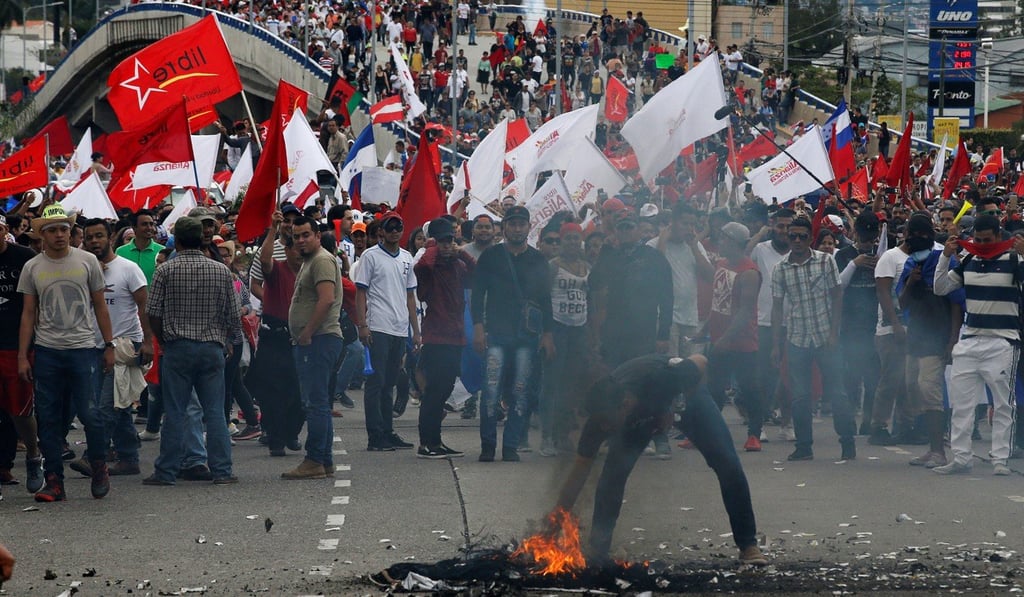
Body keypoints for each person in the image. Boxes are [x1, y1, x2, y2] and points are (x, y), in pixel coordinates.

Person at [551, 353, 767, 566]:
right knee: (612, 477)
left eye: (608, 422)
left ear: (624, 404)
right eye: (601, 423)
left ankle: (748, 545)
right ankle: (599, 550)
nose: (605, 429)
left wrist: (674, 404)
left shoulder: (658, 378)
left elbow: (701, 362)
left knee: (727, 463)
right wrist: (556, 519)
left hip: (687, 400)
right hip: (642, 419)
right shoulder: (600, 420)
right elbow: (579, 472)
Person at [17, 205, 115, 502]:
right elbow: (28, 313)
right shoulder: (33, 267)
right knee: (47, 417)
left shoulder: (87, 261)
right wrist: (23, 355)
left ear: (72, 232)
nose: (60, 235)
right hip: (47, 351)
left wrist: (109, 345)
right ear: (42, 235)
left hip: (84, 349)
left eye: (65, 229)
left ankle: (98, 466)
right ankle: (54, 480)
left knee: (90, 413)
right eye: (53, 230)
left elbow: (100, 305)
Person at [144, 216, 240, 486]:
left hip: (177, 347)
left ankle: (166, 471)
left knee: (175, 411)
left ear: (179, 241)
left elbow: (153, 312)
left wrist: (162, 339)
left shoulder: (165, 271)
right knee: (215, 412)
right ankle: (222, 470)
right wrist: (228, 339)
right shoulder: (220, 271)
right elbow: (232, 314)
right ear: (201, 238)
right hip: (211, 347)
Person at [933, 214, 1023, 476]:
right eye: (978, 240)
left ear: (998, 236)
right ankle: (961, 458)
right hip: (969, 340)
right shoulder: (969, 261)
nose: (983, 245)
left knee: (1003, 404)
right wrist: (945, 257)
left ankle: (1000, 460)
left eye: (988, 240)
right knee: (961, 404)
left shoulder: (1014, 260)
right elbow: (940, 288)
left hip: (1003, 342)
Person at [471, 206, 555, 462]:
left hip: (527, 336)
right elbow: (477, 295)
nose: (517, 228)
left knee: (521, 391)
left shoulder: (539, 259)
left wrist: (548, 333)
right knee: (492, 389)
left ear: (529, 227)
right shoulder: (491, 256)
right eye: (513, 224)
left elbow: (546, 299)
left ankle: (510, 447)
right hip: (495, 333)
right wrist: (478, 328)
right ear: (504, 227)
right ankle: (488, 445)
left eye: (522, 224)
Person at [770, 217, 856, 462]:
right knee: (799, 396)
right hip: (797, 337)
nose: (796, 241)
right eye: (792, 236)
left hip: (825, 336)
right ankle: (804, 446)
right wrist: (776, 345)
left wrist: (833, 333)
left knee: (837, 393)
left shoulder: (826, 261)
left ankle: (847, 442)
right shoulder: (780, 268)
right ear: (788, 237)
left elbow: (837, 297)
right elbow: (777, 308)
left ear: (810, 238)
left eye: (802, 236)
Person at [83, 218, 153, 477]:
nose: (94, 242)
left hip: (124, 345)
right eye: (89, 237)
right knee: (120, 405)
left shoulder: (128, 268)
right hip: (92, 346)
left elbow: (144, 305)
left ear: (110, 238)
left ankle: (92, 457)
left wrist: (147, 342)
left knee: (106, 406)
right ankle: (128, 459)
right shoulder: (84, 269)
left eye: (99, 236)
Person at [897, 214, 963, 469]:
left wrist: (952, 340)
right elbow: (901, 302)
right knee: (913, 386)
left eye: (923, 233)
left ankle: (939, 450)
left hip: (937, 335)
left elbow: (956, 302)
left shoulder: (943, 260)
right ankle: (930, 445)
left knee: (929, 388)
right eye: (913, 233)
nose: (918, 238)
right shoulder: (909, 264)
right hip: (916, 334)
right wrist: (911, 282)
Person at [282, 217, 345, 479]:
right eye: (297, 236)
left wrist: (307, 332)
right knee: (318, 402)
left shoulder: (321, 260)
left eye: (306, 235)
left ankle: (314, 459)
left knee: (315, 403)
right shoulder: (310, 260)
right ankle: (325, 460)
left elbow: (327, 299)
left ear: (318, 235)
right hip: (315, 340)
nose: (300, 240)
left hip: (319, 339)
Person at [354, 212, 421, 451]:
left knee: (390, 382)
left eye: (398, 227)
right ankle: (375, 435)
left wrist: (416, 330)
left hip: (400, 328)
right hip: (378, 326)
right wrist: (362, 325)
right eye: (389, 227)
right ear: (381, 231)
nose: (394, 231)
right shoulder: (370, 257)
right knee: (376, 382)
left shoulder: (406, 258)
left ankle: (388, 430)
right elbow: (360, 293)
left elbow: (410, 296)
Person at [247, 211, 305, 457]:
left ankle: (291, 432)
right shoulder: (277, 270)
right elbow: (265, 261)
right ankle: (276, 438)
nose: (298, 254)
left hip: (300, 337)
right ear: (288, 250)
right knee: (273, 391)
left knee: (299, 391)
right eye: (293, 249)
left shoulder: (310, 271)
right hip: (274, 335)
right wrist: (272, 229)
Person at [413, 218, 473, 458]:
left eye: (451, 240)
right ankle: (427, 443)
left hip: (455, 336)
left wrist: (461, 253)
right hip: (436, 337)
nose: (449, 245)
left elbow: (477, 274)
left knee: (444, 389)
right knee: (435, 392)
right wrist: (433, 248)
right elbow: (422, 267)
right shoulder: (429, 265)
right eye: (444, 241)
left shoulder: (458, 266)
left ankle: (435, 441)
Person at [707, 222, 763, 451]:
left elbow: (744, 312)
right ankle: (707, 432)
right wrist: (706, 331)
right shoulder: (721, 265)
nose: (719, 243)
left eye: (723, 239)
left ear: (734, 243)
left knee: (749, 388)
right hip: (720, 339)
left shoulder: (749, 272)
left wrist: (725, 339)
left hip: (742, 343)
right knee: (713, 388)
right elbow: (718, 302)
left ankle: (754, 435)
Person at [0, 214, 42, 494]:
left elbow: (34, 305)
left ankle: (33, 455)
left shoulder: (24, 257)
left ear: (4, 231)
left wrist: (27, 351)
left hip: (16, 345)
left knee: (20, 411)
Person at [115, 209, 164, 284]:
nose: (149, 228)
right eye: (144, 224)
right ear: (134, 228)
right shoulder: (120, 251)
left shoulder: (162, 251)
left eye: (151, 224)